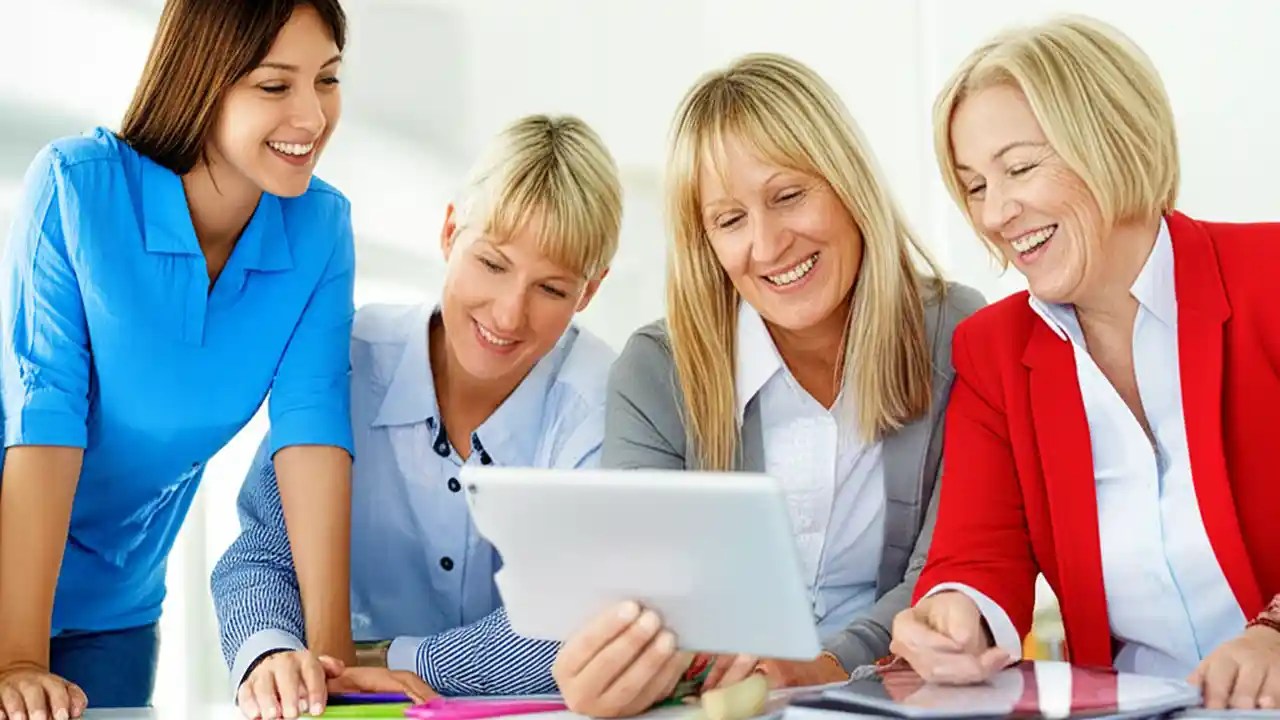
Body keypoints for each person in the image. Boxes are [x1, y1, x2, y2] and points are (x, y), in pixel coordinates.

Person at [551, 53, 986, 718]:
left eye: (789, 196)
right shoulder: (656, 371)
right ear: (705, 242)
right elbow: (643, 596)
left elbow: (947, 567)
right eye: (730, 220)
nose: (769, 243)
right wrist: (617, 668)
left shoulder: (954, 334)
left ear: (848, 185)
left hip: (894, 697)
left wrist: (826, 667)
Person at [889, 14, 1280, 712]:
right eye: (974, 186)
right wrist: (952, 615)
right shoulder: (993, 351)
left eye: (1020, 168)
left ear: (1113, 139)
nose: (995, 213)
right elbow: (977, 553)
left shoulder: (1269, 276)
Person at [0, 0, 358, 715]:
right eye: (275, 85)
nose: (313, 116)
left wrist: (333, 663)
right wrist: (18, 658)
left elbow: (312, 429)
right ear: (202, 79)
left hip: (118, 600)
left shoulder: (320, 226)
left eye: (327, 79)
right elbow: (44, 416)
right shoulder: (77, 186)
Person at [212, 114, 624, 720]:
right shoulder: (345, 361)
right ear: (450, 232)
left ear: (588, 292)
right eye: (493, 264)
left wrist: (382, 659)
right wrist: (271, 654)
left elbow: (581, 619)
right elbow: (261, 554)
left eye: (551, 289)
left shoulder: (603, 405)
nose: (508, 315)